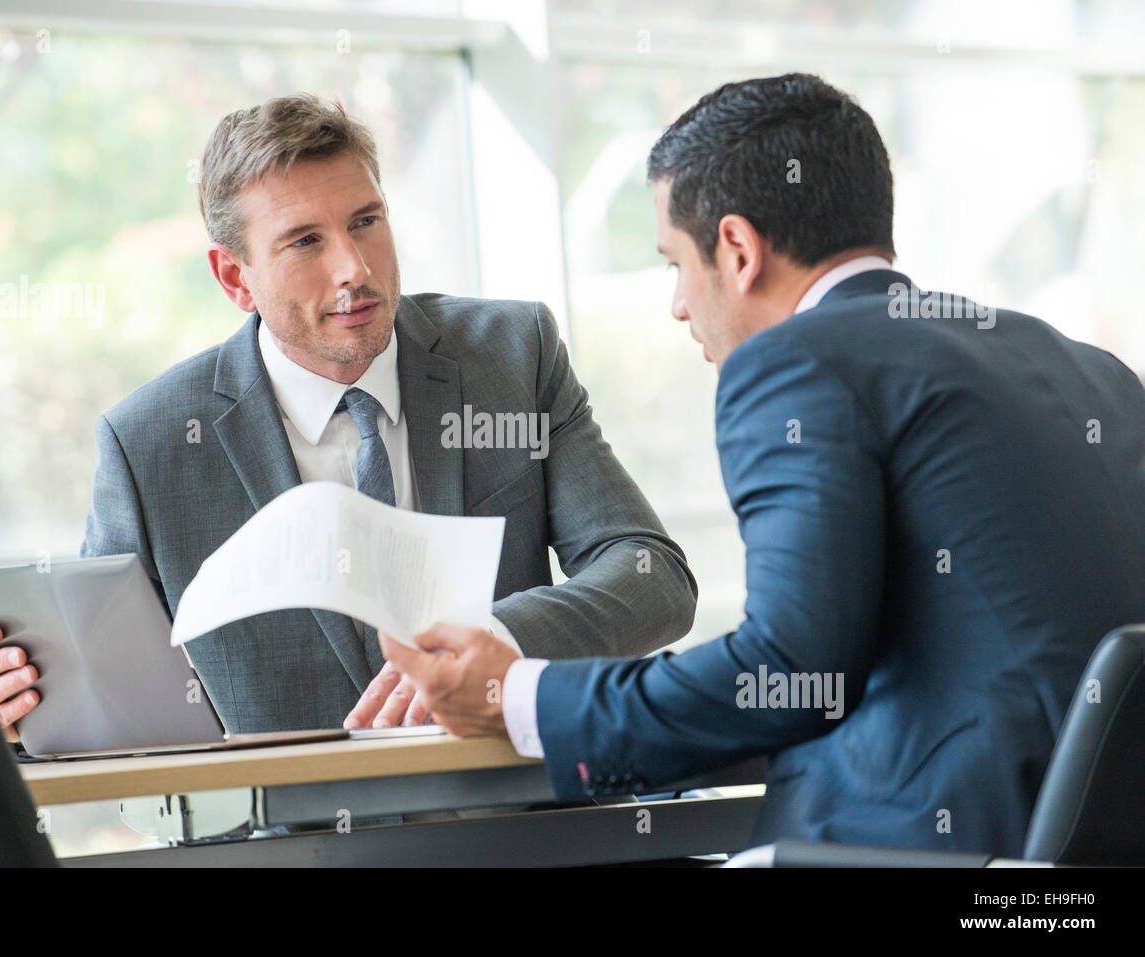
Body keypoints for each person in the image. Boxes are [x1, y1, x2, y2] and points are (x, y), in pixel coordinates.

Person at [380, 73, 1145, 857]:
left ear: (738, 250)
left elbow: (790, 668)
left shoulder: (795, 363)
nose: (679, 304)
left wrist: (517, 696)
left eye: (676, 263)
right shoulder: (1090, 370)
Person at [0, 94, 697, 741]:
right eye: (305, 241)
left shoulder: (512, 356)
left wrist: (500, 636)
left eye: (366, 221)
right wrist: (19, 700)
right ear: (232, 277)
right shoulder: (149, 443)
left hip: (508, 824)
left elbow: (652, 578)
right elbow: (110, 694)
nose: (355, 268)